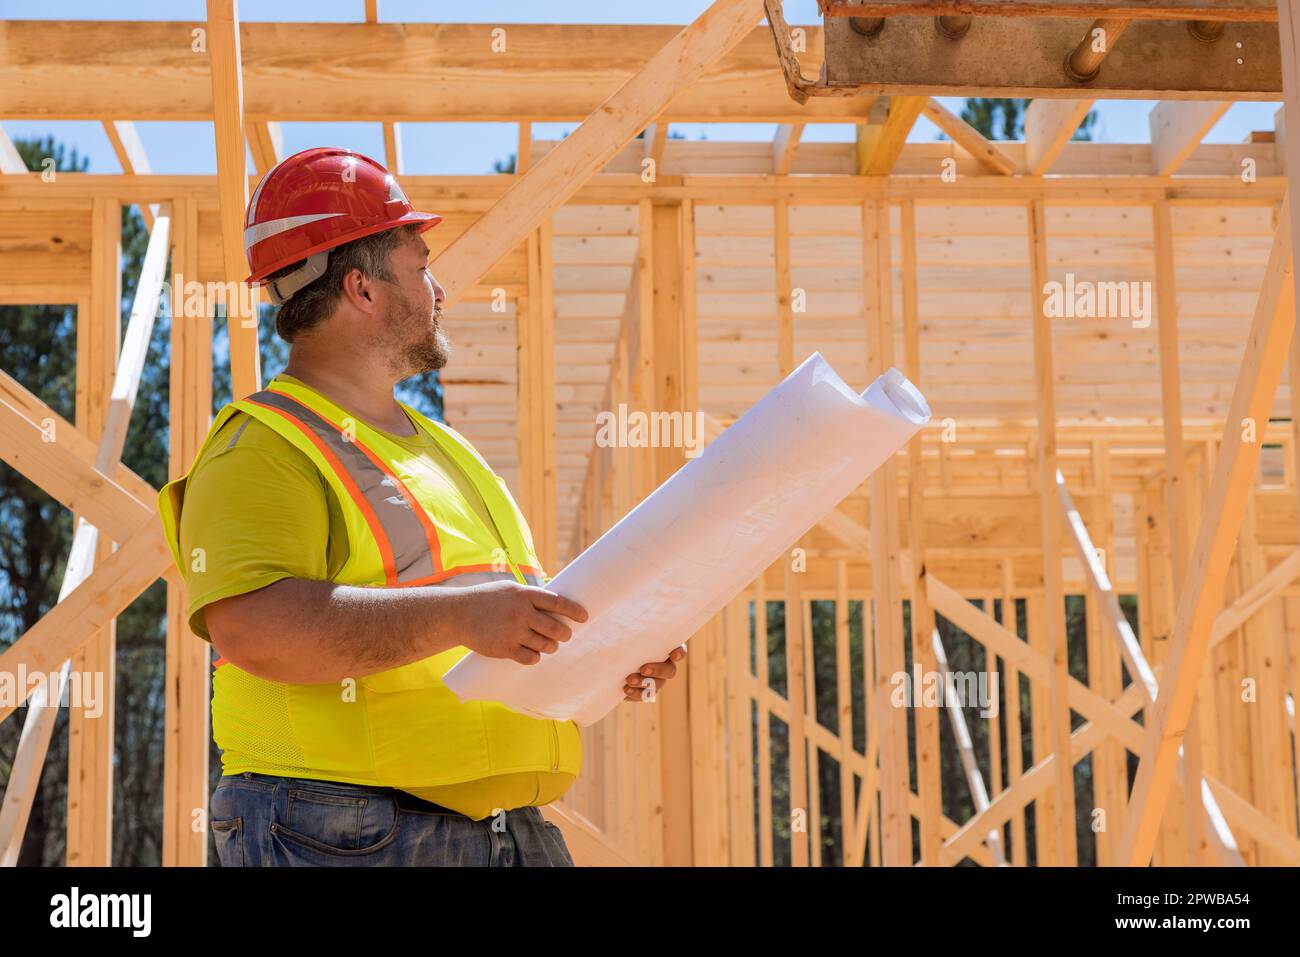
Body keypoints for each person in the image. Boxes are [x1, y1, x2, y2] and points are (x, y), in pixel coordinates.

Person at [157, 147, 686, 867]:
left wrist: (607, 651)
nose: (438, 289)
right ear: (363, 290)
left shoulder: (444, 452)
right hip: (345, 831)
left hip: (499, 829)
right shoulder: (262, 447)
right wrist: (459, 617)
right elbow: (254, 630)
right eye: (421, 266)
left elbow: (501, 626)